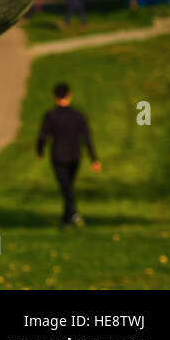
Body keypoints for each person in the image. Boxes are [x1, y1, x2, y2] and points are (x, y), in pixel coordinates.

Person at [36, 82, 101, 230]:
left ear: (54, 97)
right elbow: (86, 138)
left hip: (58, 156)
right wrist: (93, 158)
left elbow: (43, 136)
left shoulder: (51, 116)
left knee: (66, 188)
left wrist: (40, 151)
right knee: (68, 187)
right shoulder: (78, 116)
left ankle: (73, 214)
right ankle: (66, 220)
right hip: (74, 156)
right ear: (69, 95)